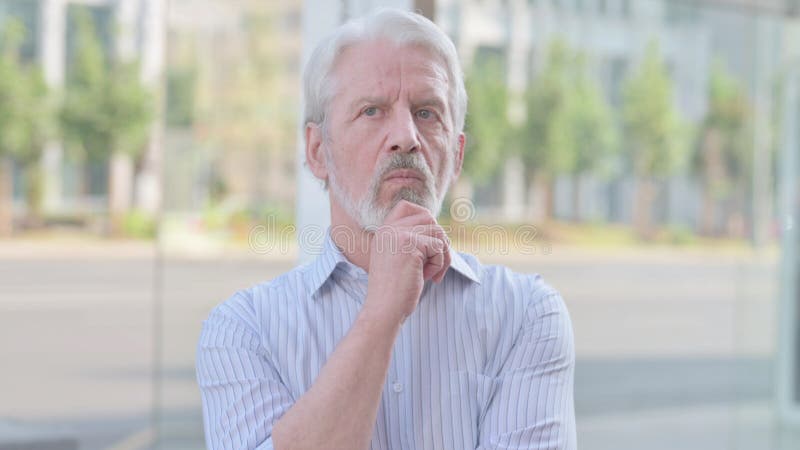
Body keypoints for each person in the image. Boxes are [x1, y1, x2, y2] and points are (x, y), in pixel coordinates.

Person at [196, 8, 576, 450]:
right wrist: (381, 313)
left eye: (427, 112)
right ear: (318, 151)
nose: (406, 136)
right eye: (372, 110)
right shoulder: (242, 332)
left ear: (456, 154)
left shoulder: (526, 315)